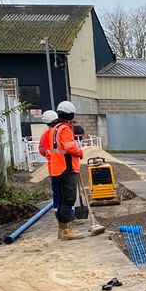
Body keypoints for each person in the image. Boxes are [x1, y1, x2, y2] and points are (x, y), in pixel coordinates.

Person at [37, 101, 85, 241]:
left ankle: (63, 229)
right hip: (66, 168)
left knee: (62, 199)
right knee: (69, 199)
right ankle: (65, 231)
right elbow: (69, 147)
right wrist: (80, 152)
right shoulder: (64, 129)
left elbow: (46, 150)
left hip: (57, 168)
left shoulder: (54, 129)